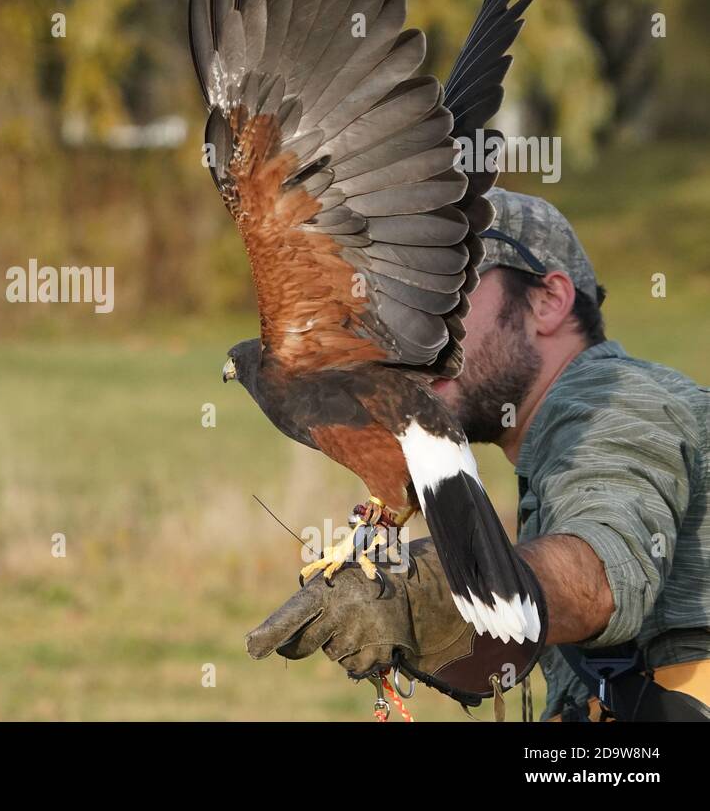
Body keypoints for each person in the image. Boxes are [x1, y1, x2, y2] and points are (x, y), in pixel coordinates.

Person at [245, 188, 710, 720]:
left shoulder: (617, 399)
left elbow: (602, 570)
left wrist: (434, 590)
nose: (419, 331)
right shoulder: (546, 442)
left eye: (454, 297)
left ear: (548, 302)